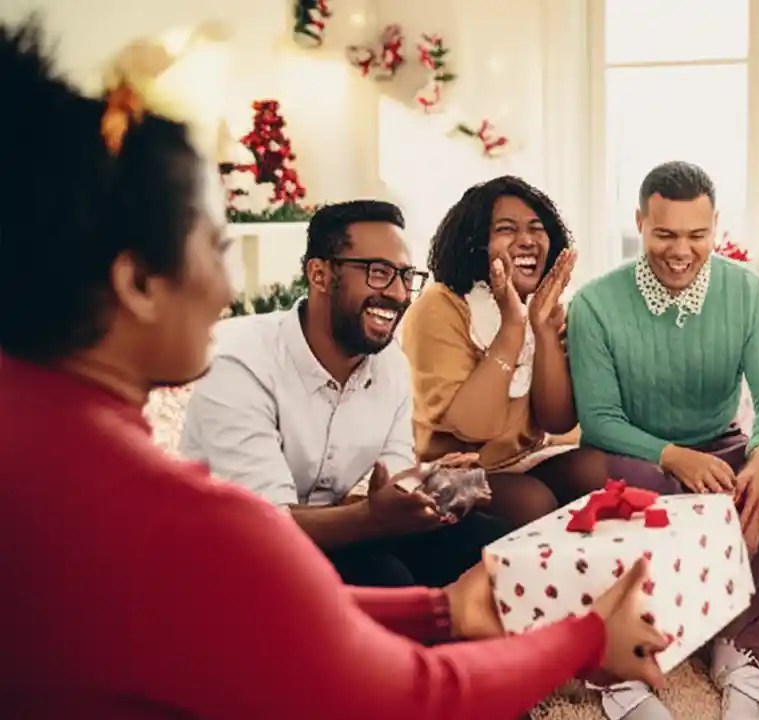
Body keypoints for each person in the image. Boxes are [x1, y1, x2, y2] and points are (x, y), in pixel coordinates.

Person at [0, 18, 672, 719]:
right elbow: (411, 694)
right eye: (215, 245)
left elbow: (247, 590)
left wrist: (440, 612)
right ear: (136, 282)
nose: (229, 289)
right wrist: (586, 637)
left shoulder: (37, 435)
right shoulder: (183, 514)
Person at [568, 160, 759, 720]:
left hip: (725, 443)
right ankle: (625, 662)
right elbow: (600, 419)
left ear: (714, 228)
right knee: (642, 488)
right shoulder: (595, 304)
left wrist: (758, 463)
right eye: (664, 234)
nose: (680, 251)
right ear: (640, 224)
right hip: (633, 451)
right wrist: (674, 456)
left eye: (696, 235)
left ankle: (745, 645)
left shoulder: (748, 293)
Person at [179, 200, 507, 589]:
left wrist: (428, 485)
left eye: (406, 276)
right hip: (232, 555)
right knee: (385, 578)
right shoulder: (242, 365)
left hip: (334, 532)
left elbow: (389, 485)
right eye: (379, 272)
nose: (400, 293)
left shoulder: (390, 366)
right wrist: (373, 516)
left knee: (486, 542)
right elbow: (267, 523)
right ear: (319, 274)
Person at [400, 176, 608, 528]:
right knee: (533, 503)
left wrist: (542, 330)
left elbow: (556, 421)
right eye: (507, 229)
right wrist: (513, 326)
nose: (527, 240)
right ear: (475, 244)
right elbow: (473, 426)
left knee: (595, 471)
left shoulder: (538, 306)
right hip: (443, 472)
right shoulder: (440, 307)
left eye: (536, 228)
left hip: (518, 463)